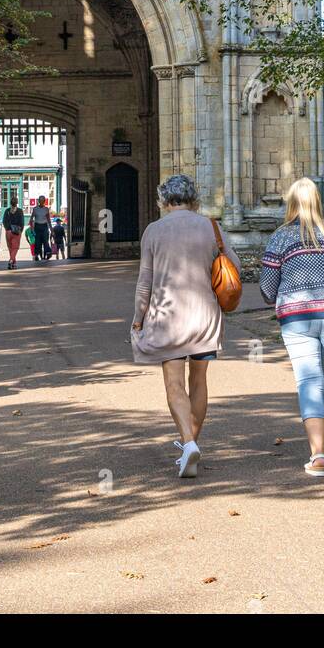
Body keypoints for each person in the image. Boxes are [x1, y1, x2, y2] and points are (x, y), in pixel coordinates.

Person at [130, 174, 240, 479]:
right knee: (199, 382)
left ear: (164, 200)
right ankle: (191, 443)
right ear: (194, 199)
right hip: (204, 315)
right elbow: (236, 267)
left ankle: (189, 444)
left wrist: (139, 318)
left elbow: (145, 282)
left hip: (168, 316)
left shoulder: (153, 230)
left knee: (174, 384)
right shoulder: (211, 227)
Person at [259, 177, 324, 476]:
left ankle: (317, 453)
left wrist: (276, 297)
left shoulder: (280, 238)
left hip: (297, 318)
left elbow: (268, 286)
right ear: (318, 201)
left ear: (291, 203)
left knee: (308, 381)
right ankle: (321, 444)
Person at [1, 194, 25, 270]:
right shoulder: (20, 211)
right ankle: (11, 260)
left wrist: (7, 229)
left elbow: (4, 221)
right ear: (17, 203)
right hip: (17, 231)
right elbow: (22, 222)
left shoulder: (7, 211)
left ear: (10, 203)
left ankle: (14, 263)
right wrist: (21, 230)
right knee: (15, 248)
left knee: (10, 247)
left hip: (8, 231)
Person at [30, 196, 51, 261]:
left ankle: (46, 255)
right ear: (38, 201)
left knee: (45, 240)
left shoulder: (46, 209)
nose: (41, 201)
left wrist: (51, 229)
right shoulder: (35, 209)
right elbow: (31, 218)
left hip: (44, 226)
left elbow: (48, 219)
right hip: (37, 226)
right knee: (37, 241)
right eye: (40, 200)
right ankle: (36, 255)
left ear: (44, 201)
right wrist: (32, 228)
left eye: (43, 200)